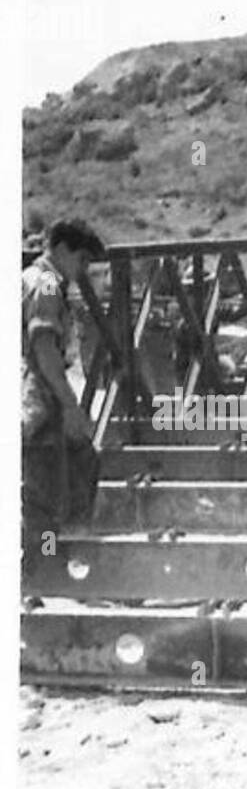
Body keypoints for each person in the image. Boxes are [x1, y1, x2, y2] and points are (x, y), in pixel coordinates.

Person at [22, 218, 107, 574]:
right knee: (45, 491)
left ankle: (52, 563)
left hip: (36, 398)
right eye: (82, 259)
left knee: (61, 476)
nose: (82, 270)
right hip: (40, 401)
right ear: (61, 249)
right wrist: (70, 406)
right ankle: (47, 569)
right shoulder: (46, 284)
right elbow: (43, 346)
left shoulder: (32, 279)